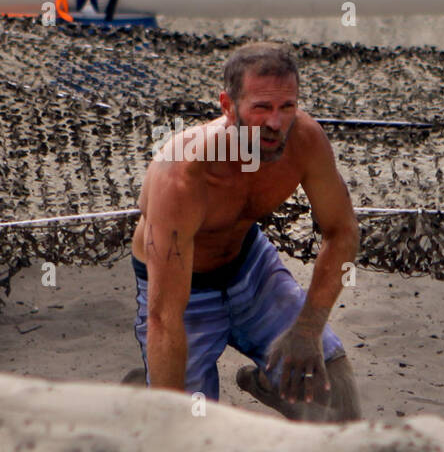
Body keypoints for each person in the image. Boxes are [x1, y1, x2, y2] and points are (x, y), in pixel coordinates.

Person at [125, 41, 361, 422]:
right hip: (186, 292)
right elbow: (165, 316)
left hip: (248, 267)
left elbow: (343, 230)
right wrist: (171, 416)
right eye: (261, 108)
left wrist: (308, 328)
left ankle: (274, 386)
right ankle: (145, 392)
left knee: (337, 397)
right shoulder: (183, 174)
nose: (275, 123)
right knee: (189, 424)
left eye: (287, 107)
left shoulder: (304, 141)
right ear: (227, 105)